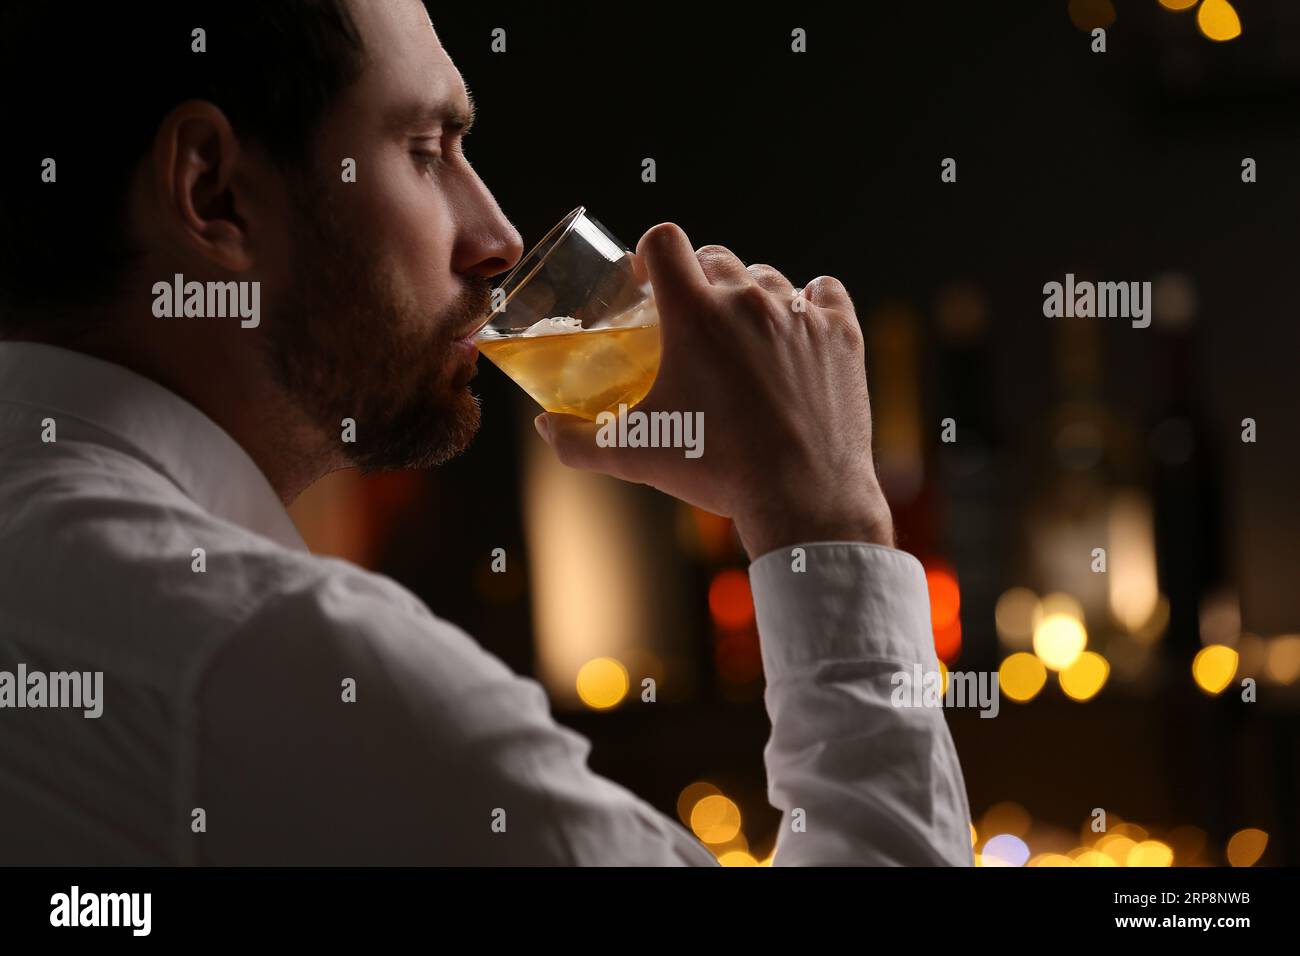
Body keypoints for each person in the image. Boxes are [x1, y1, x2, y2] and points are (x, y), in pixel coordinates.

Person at [0, 0, 972, 865]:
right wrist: (825, 511)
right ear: (213, 193)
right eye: (425, 149)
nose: (499, 236)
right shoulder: (298, 667)